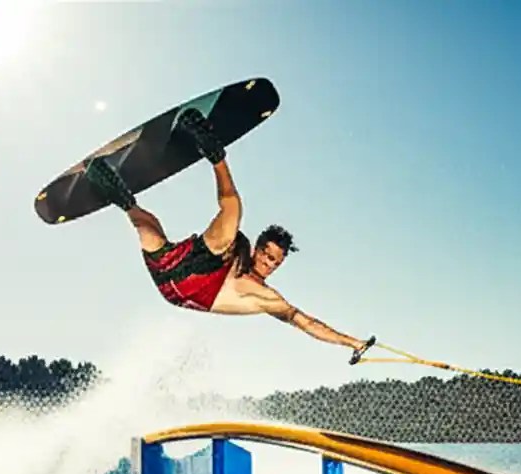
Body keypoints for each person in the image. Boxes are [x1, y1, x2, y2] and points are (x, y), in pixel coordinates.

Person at [84, 108, 375, 364]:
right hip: (173, 272)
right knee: (148, 224)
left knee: (233, 217)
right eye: (269, 256)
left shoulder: (264, 295)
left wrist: (353, 343)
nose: (271, 265)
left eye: (277, 262)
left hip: (191, 289)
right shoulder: (242, 249)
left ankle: (214, 154)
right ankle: (120, 195)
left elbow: (308, 323)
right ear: (260, 250)